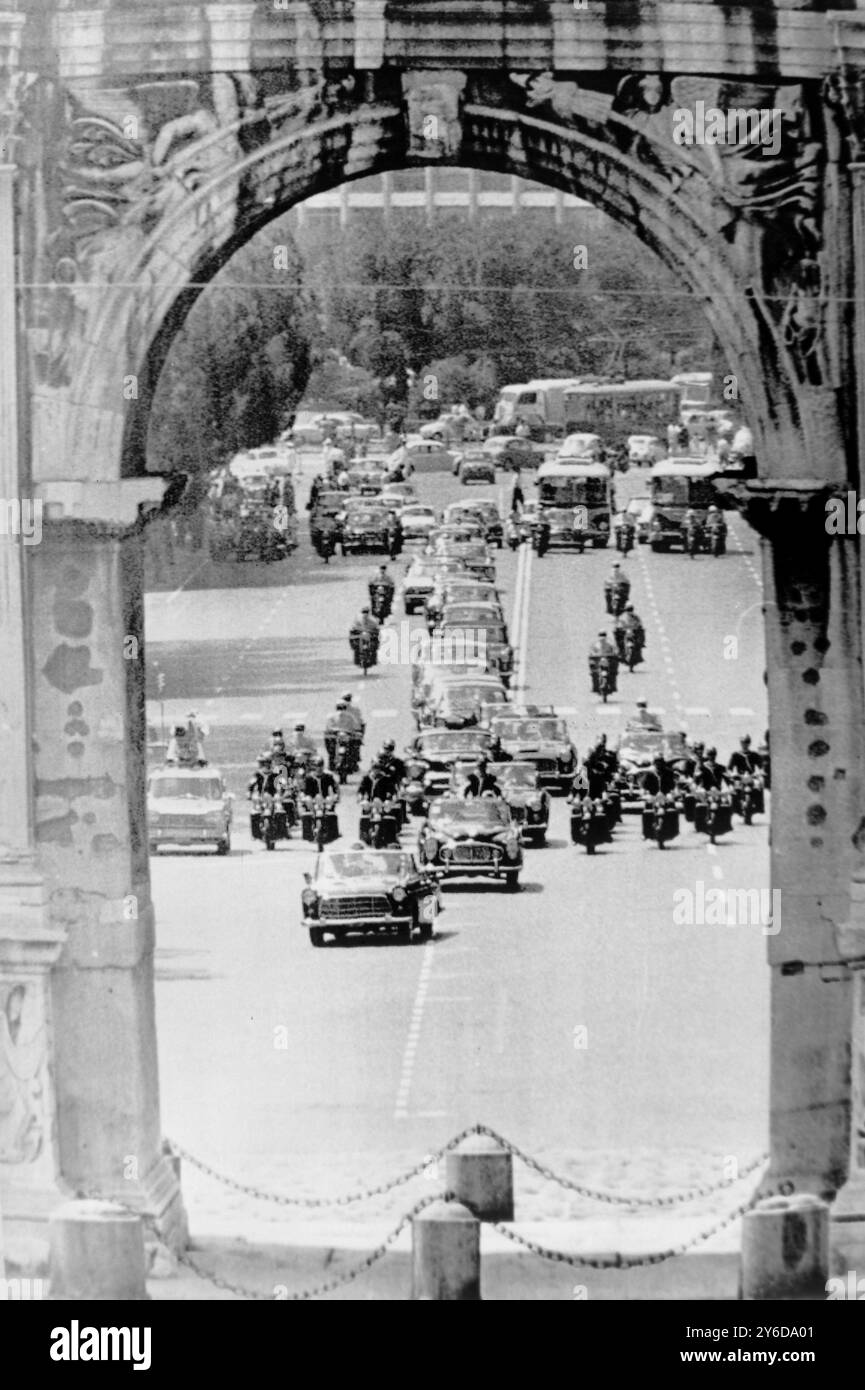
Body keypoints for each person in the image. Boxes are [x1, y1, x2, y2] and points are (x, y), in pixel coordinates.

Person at [324, 700, 357, 769]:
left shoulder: (331, 716)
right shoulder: (350, 716)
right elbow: (355, 727)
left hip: (343, 737)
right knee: (332, 749)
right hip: (337, 737)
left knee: (353, 747)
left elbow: (328, 728)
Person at [588, 630, 618, 694]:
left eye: (603, 635)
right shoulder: (595, 644)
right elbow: (591, 652)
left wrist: (613, 654)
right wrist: (593, 655)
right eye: (601, 635)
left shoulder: (610, 644)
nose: (602, 637)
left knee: (613, 673)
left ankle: (613, 686)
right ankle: (595, 687)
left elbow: (615, 651)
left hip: (608, 662)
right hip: (598, 662)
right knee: (594, 673)